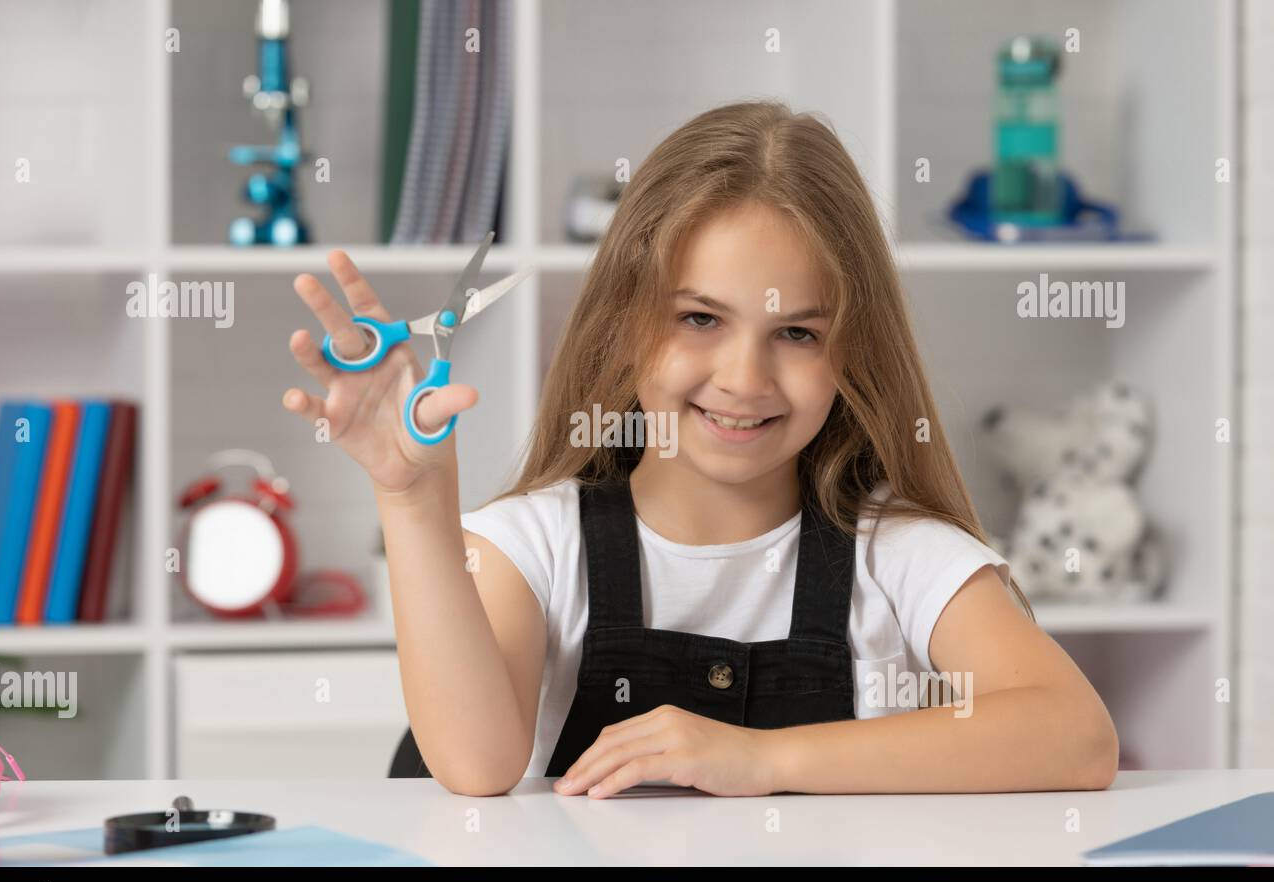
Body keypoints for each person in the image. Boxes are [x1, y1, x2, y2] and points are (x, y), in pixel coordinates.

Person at [283, 99, 1118, 798]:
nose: (744, 377)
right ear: (625, 324)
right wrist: (412, 499)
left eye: (796, 331)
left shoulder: (899, 559)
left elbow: (1076, 736)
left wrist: (758, 758)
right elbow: (475, 764)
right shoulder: (530, 547)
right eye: (700, 319)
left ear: (852, 355)